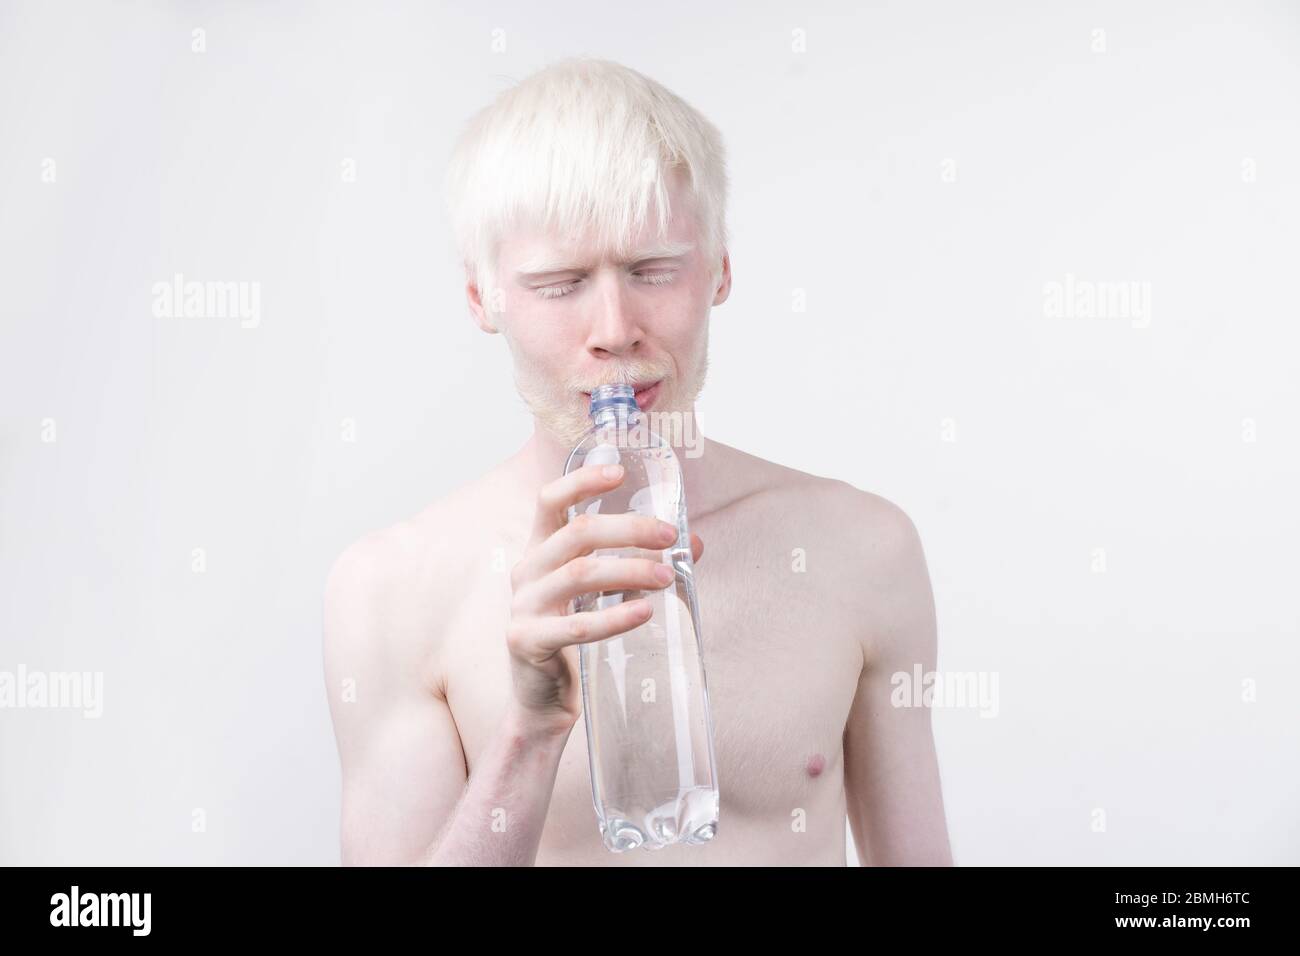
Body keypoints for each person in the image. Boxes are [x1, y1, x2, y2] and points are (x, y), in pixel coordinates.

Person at [323, 56, 952, 866]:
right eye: (560, 283)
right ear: (483, 297)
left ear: (720, 267)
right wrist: (530, 734)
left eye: (654, 269)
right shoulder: (389, 590)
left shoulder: (864, 548)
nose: (615, 328)